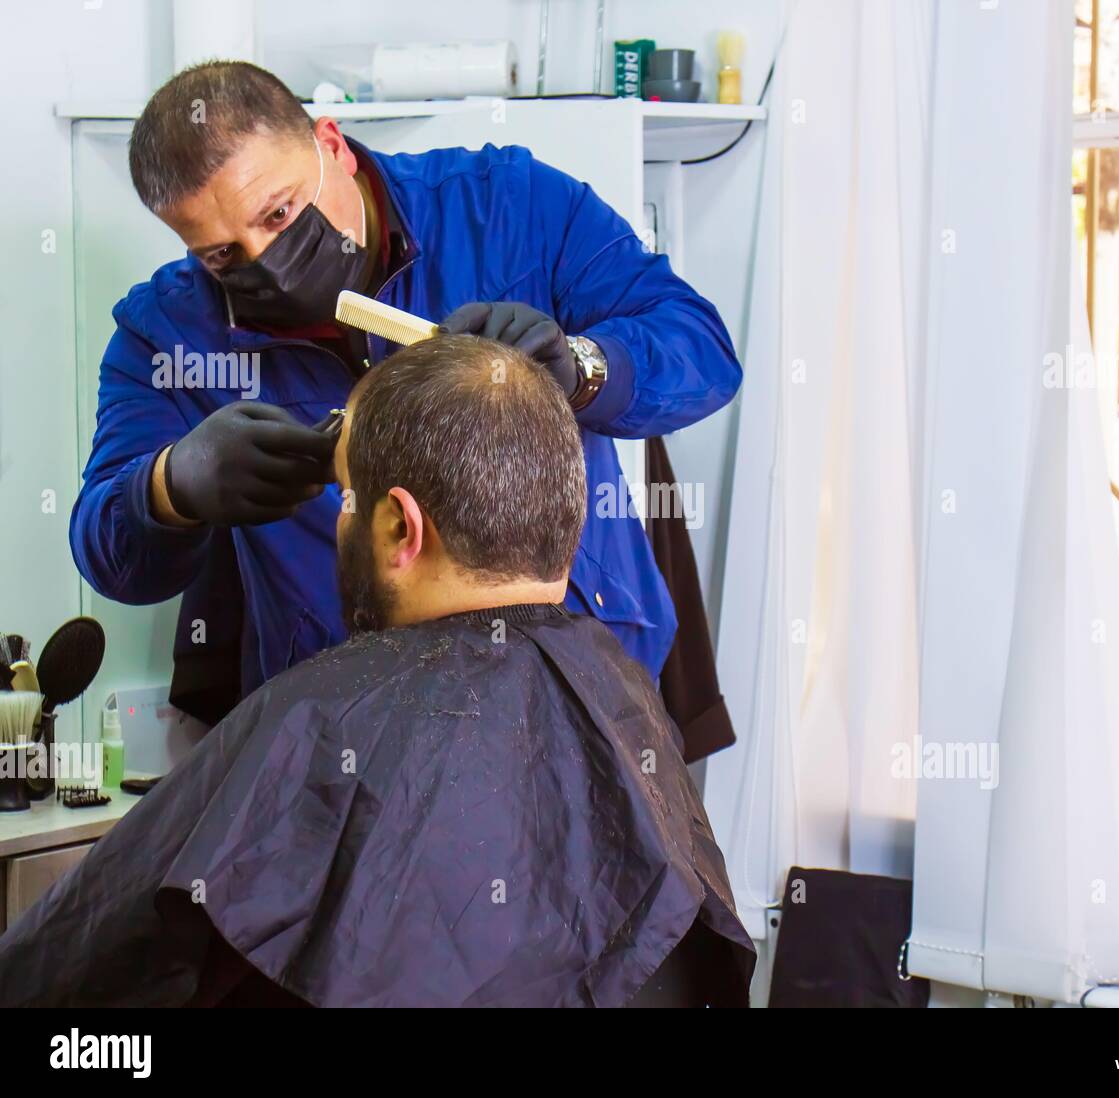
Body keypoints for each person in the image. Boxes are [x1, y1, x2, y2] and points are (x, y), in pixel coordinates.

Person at [0, 334, 754, 1007]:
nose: (338, 521)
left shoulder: (307, 725)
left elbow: (77, 975)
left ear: (397, 525)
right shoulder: (628, 704)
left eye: (345, 498)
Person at [71, 61, 742, 720]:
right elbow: (108, 550)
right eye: (221, 255)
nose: (264, 263)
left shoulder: (509, 205)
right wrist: (170, 488)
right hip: (344, 730)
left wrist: (582, 367)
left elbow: (703, 351)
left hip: (586, 698)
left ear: (330, 145)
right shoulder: (166, 337)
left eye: (278, 213)